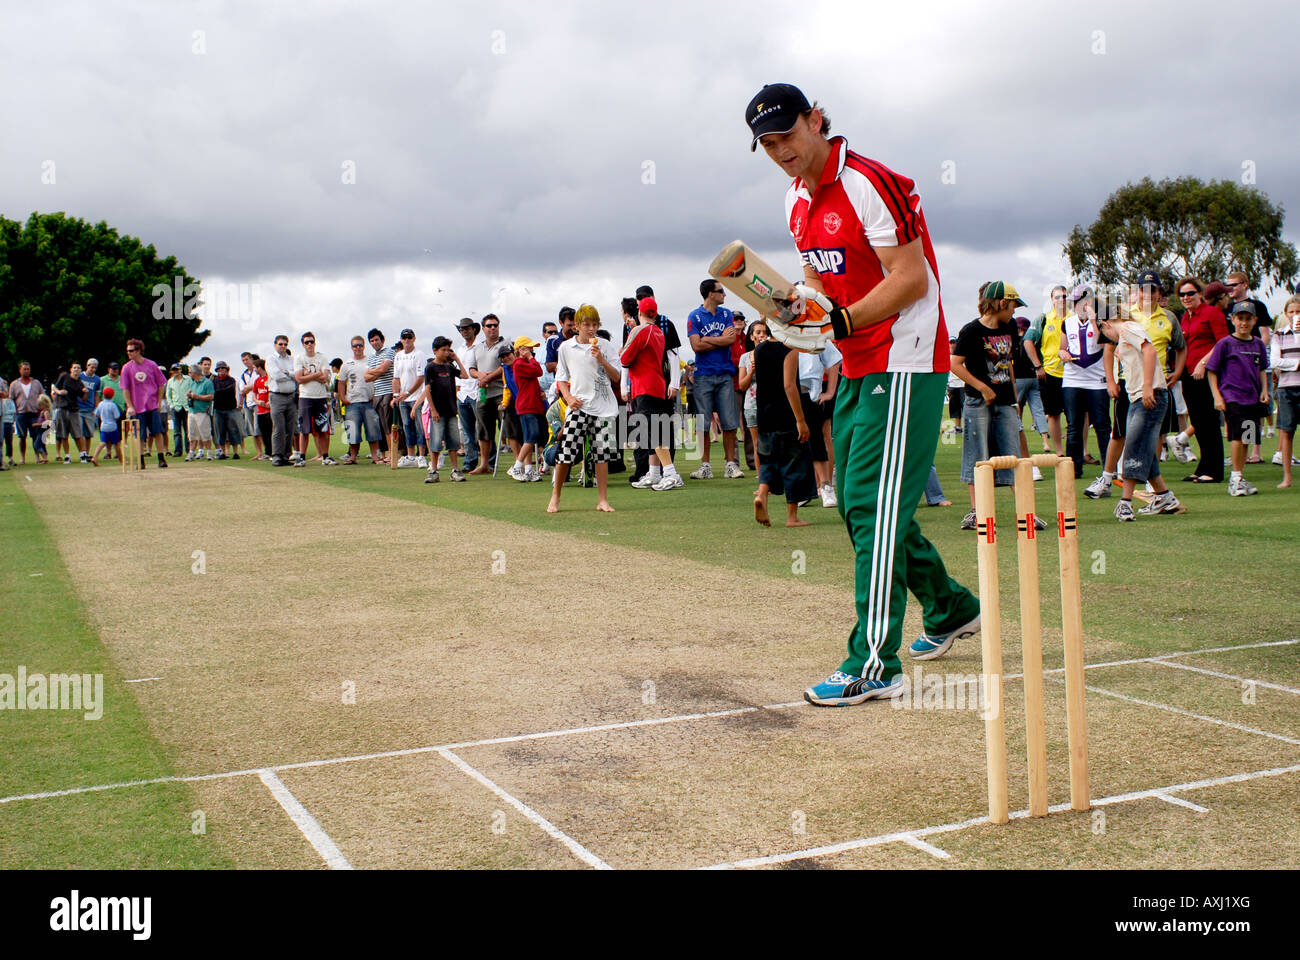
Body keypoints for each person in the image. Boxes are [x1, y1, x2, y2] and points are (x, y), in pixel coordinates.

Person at [746, 82, 979, 704]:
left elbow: (911, 278)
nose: (780, 151)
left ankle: (875, 662)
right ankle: (950, 606)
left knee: (873, 509)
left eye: (787, 135)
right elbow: (820, 285)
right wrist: (800, 309)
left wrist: (842, 322)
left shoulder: (868, 182)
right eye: (767, 144)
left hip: (903, 359)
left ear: (816, 119)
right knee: (860, 507)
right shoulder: (796, 202)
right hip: (855, 364)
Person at [951, 283, 1043, 529]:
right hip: (977, 402)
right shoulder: (970, 331)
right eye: (1013, 305)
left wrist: (1014, 400)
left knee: (1013, 456)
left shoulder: (1011, 326)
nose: (1014, 311)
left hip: (1005, 402)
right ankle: (976, 513)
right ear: (1002, 303)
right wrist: (982, 387)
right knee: (977, 457)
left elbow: (1008, 364)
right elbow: (955, 364)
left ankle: (1026, 513)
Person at [1095, 308, 1184, 520]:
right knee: (1143, 448)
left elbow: (1150, 351)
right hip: (1138, 397)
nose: (1108, 340)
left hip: (1149, 396)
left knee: (1134, 447)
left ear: (1106, 325)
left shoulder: (1127, 328)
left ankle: (1125, 503)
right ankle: (1164, 496)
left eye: (1104, 334)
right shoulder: (1127, 332)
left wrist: (1147, 387)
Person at [547, 304, 622, 513]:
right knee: (566, 453)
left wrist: (601, 359)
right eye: (586, 325)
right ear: (577, 326)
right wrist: (568, 398)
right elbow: (561, 378)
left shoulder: (605, 346)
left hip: (604, 408)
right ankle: (556, 496)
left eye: (594, 324)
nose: (591, 329)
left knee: (602, 454)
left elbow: (617, 377)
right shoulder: (566, 348)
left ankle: (603, 500)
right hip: (578, 406)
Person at [751, 323, 815, 527]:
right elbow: (789, 386)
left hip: (764, 414)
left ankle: (762, 494)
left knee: (769, 460)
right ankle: (792, 516)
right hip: (785, 415)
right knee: (793, 464)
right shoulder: (790, 351)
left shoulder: (759, 349)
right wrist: (801, 420)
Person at [1206, 302, 1271, 497]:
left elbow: (1262, 370)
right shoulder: (1225, 343)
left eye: (1248, 319)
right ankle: (1234, 478)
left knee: (1248, 438)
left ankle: (1240, 476)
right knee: (1238, 436)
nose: (1244, 322)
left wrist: (1264, 391)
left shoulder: (1258, 344)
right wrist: (1217, 396)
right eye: (1240, 318)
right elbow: (1212, 371)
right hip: (1233, 396)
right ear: (1233, 319)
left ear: (1254, 321)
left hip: (1253, 398)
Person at [1171, 276, 1229, 482]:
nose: (1186, 297)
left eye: (1190, 293)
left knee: (1209, 421)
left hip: (1207, 374)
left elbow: (1223, 342)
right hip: (1188, 375)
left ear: (1200, 294)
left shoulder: (1212, 313)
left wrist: (1204, 363)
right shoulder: (1185, 318)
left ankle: (1214, 471)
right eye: (1183, 294)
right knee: (1197, 420)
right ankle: (1204, 466)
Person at [622, 296, 683, 491]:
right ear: (655, 314)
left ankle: (671, 474)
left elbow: (624, 358)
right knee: (655, 431)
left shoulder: (640, 330)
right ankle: (655, 473)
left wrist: (632, 330)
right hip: (657, 385)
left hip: (644, 386)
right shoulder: (658, 330)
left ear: (639, 312)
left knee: (652, 432)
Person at [687, 278, 744, 479]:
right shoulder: (695, 315)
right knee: (702, 423)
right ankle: (705, 466)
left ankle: (731, 464)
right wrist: (720, 340)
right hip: (703, 375)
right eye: (721, 291)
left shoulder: (727, 314)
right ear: (711, 293)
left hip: (725, 374)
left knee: (729, 422)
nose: (724, 294)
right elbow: (696, 346)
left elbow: (731, 339)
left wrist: (709, 339)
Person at [1060, 285, 1111, 478]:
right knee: (1074, 425)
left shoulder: (1101, 320)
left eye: (1081, 301)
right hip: (1073, 378)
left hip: (1097, 379)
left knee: (1102, 424)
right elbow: (1062, 348)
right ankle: (1073, 468)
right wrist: (1062, 354)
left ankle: (1109, 467)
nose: (1077, 305)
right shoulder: (1067, 322)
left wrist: (1093, 320)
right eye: (1074, 302)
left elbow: (1101, 341)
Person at [1225, 271, 1274, 460]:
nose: (1230, 289)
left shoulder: (1258, 307)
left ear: (1245, 284)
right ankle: (1238, 455)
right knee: (1234, 411)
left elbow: (1265, 335)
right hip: (1231, 369)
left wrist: (1255, 352)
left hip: (1254, 365)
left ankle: (1255, 452)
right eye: (1227, 285)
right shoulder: (1227, 309)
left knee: (1255, 409)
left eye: (1234, 285)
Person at [414, 336, 468, 482]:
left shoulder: (449, 367)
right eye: (443, 350)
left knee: (453, 442)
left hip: (451, 410)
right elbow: (427, 389)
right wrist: (433, 409)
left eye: (448, 350)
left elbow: (464, 375)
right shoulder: (431, 367)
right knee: (436, 443)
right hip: (437, 411)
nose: (446, 353)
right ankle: (434, 470)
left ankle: (455, 470)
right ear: (435, 350)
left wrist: (456, 359)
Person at [1023, 286, 1068, 457]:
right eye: (1058, 297)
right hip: (1051, 373)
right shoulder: (1043, 319)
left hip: (1074, 374)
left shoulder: (1074, 318)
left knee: (1078, 416)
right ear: (1051, 299)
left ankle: (1082, 451)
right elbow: (1028, 341)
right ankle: (1059, 451)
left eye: (1064, 296)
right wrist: (1037, 365)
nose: (1061, 300)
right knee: (1054, 413)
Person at [796, 337, 841, 506]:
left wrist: (830, 392)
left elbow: (834, 359)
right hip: (785, 394)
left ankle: (826, 487)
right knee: (793, 442)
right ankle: (802, 488)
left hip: (808, 393)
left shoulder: (814, 333)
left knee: (816, 439)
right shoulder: (779, 332)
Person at [120, 339, 170, 469]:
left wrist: (159, 401)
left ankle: (161, 459)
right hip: (137, 407)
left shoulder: (152, 365)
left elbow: (160, 384)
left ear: (138, 351)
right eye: (127, 351)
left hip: (152, 405)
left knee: (157, 432)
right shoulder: (126, 368)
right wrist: (130, 405)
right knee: (140, 435)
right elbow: (125, 389)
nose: (129, 353)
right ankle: (141, 461)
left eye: (131, 351)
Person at [468, 314, 506, 475]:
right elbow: (471, 369)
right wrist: (480, 376)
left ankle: (519, 463)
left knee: (508, 428)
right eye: (489, 325)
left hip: (500, 392)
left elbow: (505, 366)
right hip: (483, 393)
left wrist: (488, 377)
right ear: (483, 328)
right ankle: (484, 464)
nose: (492, 328)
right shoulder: (477, 348)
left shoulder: (505, 344)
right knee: (483, 430)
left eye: (495, 325)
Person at [338, 335, 385, 465]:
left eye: (360, 345)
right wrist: (343, 398)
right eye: (355, 345)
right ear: (351, 347)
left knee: (373, 430)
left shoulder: (371, 360)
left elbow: (379, 378)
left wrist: (375, 395)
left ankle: (375, 457)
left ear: (364, 346)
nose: (357, 348)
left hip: (369, 402)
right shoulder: (346, 364)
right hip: (352, 402)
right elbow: (341, 382)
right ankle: (353, 457)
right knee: (352, 431)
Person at [293, 331, 337, 466]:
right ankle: (301, 457)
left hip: (320, 397)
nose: (310, 344)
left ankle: (325, 457)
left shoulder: (322, 358)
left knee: (322, 428)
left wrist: (309, 374)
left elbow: (325, 377)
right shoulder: (299, 358)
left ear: (315, 343)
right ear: (303, 344)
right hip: (306, 397)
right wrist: (316, 375)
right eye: (307, 342)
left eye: (311, 341)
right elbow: (299, 379)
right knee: (304, 429)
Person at [1270, 296, 1300, 488]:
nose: (1295, 315)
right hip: (1286, 389)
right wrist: (1297, 364)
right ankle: (1287, 477)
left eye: (1299, 312)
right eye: (1292, 312)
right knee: (1287, 432)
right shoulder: (1279, 335)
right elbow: (1275, 362)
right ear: (1286, 314)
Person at [736, 319, 769, 481]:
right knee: (757, 444)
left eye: (764, 332)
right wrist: (752, 371)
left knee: (772, 442)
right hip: (752, 405)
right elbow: (742, 385)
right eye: (758, 332)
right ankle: (762, 478)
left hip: (770, 405)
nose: (762, 335)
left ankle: (775, 478)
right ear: (751, 336)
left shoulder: (773, 354)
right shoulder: (745, 358)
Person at [510, 336, 546, 482]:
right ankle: (517, 467)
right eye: (529, 347)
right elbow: (539, 371)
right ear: (521, 349)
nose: (532, 350)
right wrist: (531, 357)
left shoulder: (524, 363)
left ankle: (529, 469)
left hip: (532, 404)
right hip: (527, 406)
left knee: (530, 438)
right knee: (531, 437)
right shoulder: (519, 363)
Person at [392, 328, 428, 468]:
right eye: (404, 337)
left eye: (409, 337)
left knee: (420, 427)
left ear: (414, 338)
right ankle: (411, 456)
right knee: (407, 427)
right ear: (401, 339)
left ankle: (421, 456)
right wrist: (396, 395)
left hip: (417, 397)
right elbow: (396, 378)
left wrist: (407, 392)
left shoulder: (419, 354)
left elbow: (420, 378)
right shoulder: (398, 356)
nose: (407, 340)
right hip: (403, 399)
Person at [452, 318, 484, 471]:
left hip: (477, 392)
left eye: (467, 328)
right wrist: (458, 389)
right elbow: (458, 370)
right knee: (467, 431)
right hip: (463, 393)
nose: (464, 331)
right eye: (462, 329)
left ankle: (489, 461)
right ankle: (469, 462)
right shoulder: (460, 349)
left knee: (483, 429)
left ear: (473, 329)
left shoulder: (480, 347)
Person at [266, 335, 297, 466]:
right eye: (280, 344)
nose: (283, 346)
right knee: (279, 427)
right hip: (277, 396)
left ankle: (286, 455)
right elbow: (276, 375)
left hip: (291, 395)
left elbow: (297, 374)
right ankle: (277, 455)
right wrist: (290, 374)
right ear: (275, 345)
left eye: (285, 344)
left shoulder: (292, 359)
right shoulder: (271, 359)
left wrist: (288, 373)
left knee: (290, 428)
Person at [51, 362, 87, 464]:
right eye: (74, 368)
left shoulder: (80, 383)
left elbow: (83, 399)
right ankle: (67, 456)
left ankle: (82, 455)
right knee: (63, 434)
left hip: (74, 410)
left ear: (80, 371)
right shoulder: (64, 377)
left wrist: (86, 392)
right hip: (62, 408)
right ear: (71, 369)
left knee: (78, 434)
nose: (76, 369)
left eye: (78, 368)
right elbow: (54, 387)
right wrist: (59, 392)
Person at [10, 362, 43, 465]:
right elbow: (11, 400)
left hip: (34, 413)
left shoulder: (36, 383)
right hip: (21, 413)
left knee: (35, 436)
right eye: (24, 369)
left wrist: (41, 410)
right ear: (20, 370)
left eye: (28, 369)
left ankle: (37, 457)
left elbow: (42, 397)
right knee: (22, 437)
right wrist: (13, 414)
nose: (26, 371)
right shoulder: (14, 384)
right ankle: (22, 458)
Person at [210, 361, 243, 459]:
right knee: (220, 431)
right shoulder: (214, 381)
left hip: (230, 408)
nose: (221, 370)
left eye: (223, 368)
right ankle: (223, 452)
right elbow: (213, 393)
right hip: (218, 409)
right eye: (219, 369)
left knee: (233, 430)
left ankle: (236, 452)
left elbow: (229, 391)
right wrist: (219, 393)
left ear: (226, 369)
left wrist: (218, 392)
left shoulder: (232, 380)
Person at [184, 362, 215, 460]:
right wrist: (189, 395)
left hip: (202, 411)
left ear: (195, 373)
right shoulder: (193, 383)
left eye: (190, 372)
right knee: (192, 434)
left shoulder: (207, 383)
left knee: (205, 433)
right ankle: (191, 452)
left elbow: (211, 396)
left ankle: (209, 453)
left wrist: (197, 397)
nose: (189, 374)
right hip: (192, 411)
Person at [237, 351, 262, 458]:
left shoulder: (258, 371)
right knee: (253, 431)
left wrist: (250, 387)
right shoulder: (244, 374)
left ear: (251, 359)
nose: (245, 362)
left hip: (258, 402)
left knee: (259, 429)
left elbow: (259, 383)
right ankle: (259, 453)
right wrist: (250, 387)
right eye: (243, 360)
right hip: (248, 403)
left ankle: (267, 452)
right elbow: (242, 390)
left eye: (247, 359)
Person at [78, 358, 101, 461]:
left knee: (88, 433)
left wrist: (97, 407)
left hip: (90, 408)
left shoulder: (97, 379)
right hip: (78, 407)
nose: (93, 370)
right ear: (87, 366)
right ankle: (82, 453)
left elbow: (96, 394)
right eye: (92, 367)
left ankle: (87, 453)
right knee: (80, 433)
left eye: (95, 368)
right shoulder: (80, 376)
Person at [165, 364, 190, 456]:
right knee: (177, 431)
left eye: (177, 369)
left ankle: (189, 450)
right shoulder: (170, 381)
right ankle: (178, 450)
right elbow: (168, 395)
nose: (176, 371)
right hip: (176, 408)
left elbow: (192, 390)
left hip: (186, 407)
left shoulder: (188, 379)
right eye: (174, 370)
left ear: (180, 370)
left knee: (188, 430)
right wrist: (171, 405)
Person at [94, 386, 122, 465]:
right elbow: (117, 416)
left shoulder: (101, 404)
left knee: (102, 443)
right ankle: (121, 460)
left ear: (103, 395)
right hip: (112, 426)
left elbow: (96, 413)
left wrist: (102, 418)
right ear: (112, 395)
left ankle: (95, 457)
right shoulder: (113, 405)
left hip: (103, 426)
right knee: (116, 444)